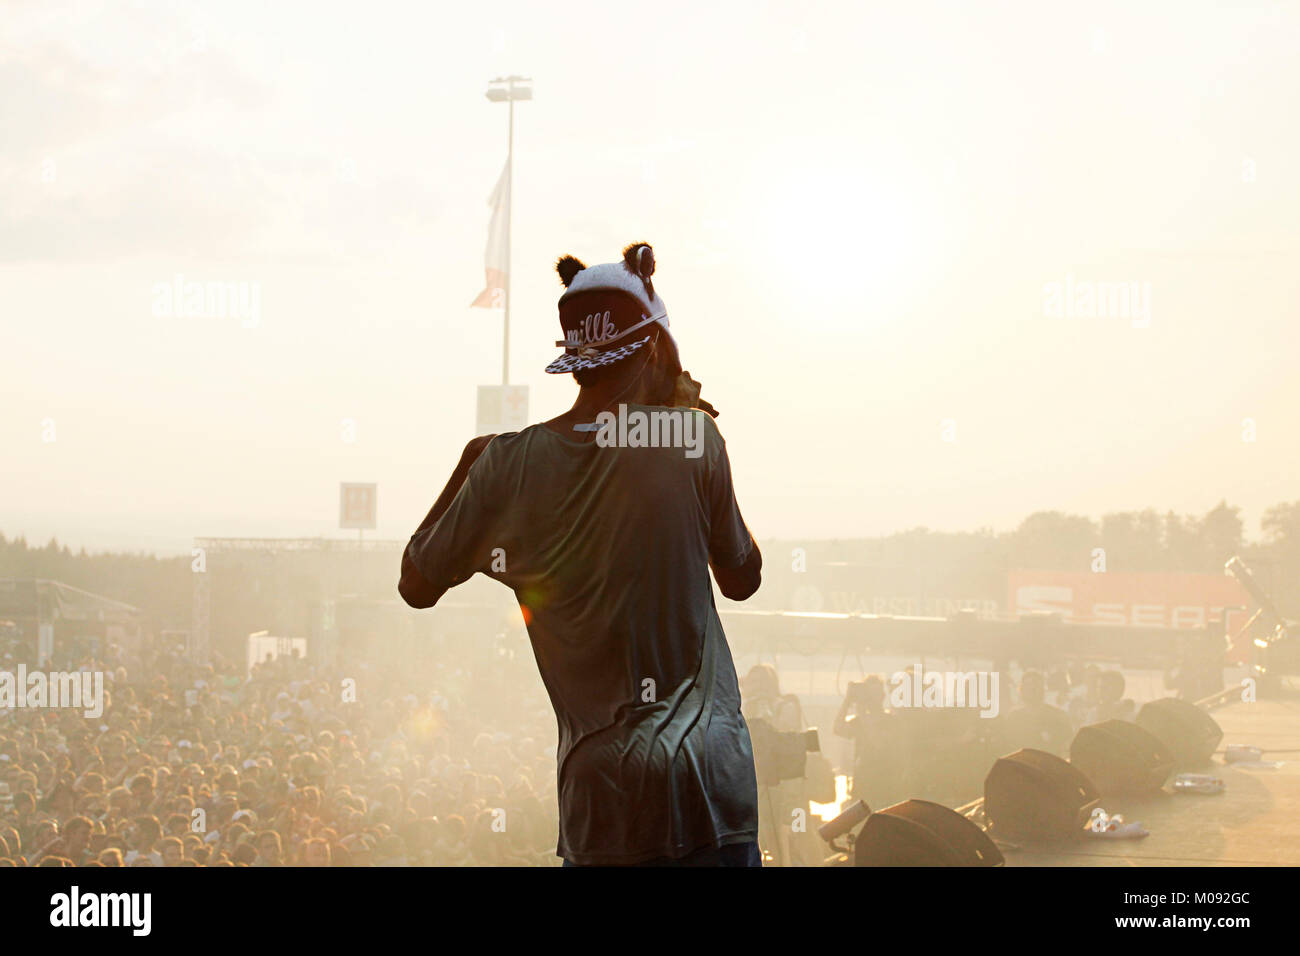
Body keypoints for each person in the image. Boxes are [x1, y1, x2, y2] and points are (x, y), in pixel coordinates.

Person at [399, 242, 763, 867]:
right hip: (712, 785)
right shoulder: (692, 438)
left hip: (604, 800)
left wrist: (471, 462)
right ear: (653, 349)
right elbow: (742, 578)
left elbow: (416, 582)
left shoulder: (507, 463)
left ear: (573, 361)